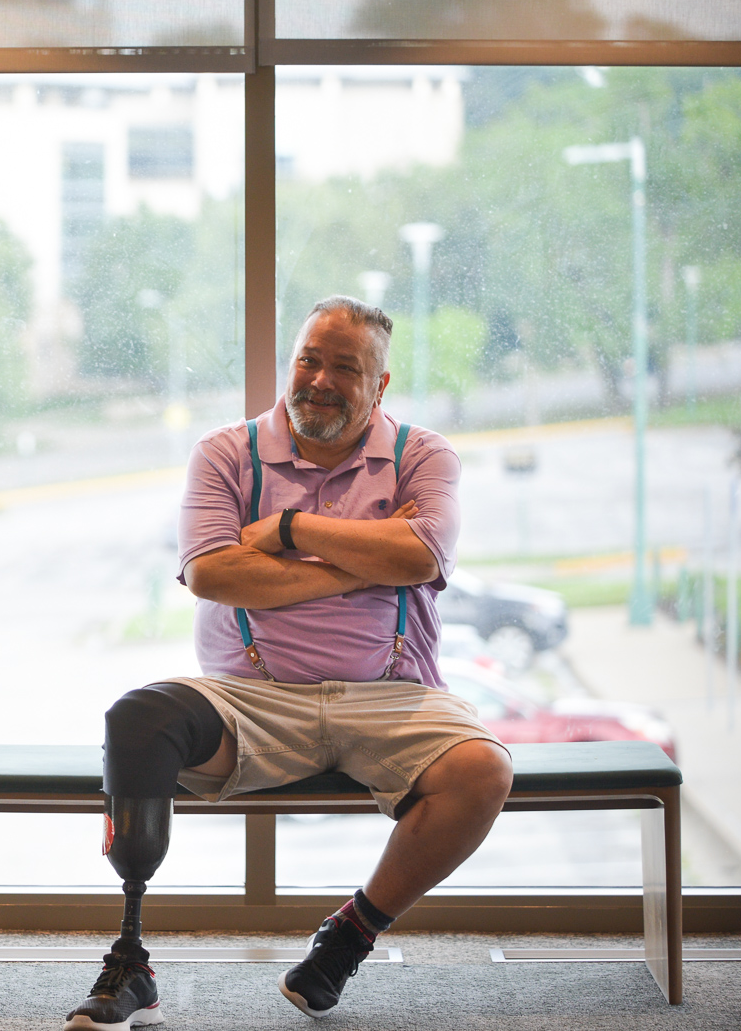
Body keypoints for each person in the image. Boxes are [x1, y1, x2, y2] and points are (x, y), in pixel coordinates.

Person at [65, 296, 515, 1029]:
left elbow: (422, 553)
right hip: (250, 698)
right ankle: (132, 958)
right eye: (309, 359)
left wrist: (288, 529)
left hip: (392, 696)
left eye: (346, 367)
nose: (320, 380)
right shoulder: (225, 452)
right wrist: (366, 562)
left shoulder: (423, 456)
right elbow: (213, 574)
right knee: (138, 718)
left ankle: (352, 934)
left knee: (485, 771)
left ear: (380, 385)